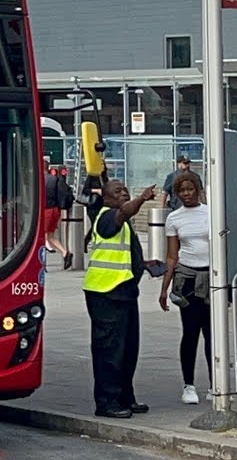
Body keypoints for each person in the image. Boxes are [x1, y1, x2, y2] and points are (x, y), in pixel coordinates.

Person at [84, 177, 163, 419]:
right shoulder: (108, 215)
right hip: (105, 292)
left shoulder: (123, 222)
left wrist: (144, 264)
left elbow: (122, 253)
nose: (124, 194)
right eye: (118, 192)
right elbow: (124, 213)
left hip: (124, 290)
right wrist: (142, 198)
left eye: (126, 191)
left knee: (128, 350)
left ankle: (124, 397)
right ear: (106, 198)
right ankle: (107, 401)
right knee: (110, 351)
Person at [159, 171, 212, 405]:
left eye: (190, 189)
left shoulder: (212, 213)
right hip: (187, 278)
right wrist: (164, 288)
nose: (187, 194)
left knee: (213, 334)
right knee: (190, 333)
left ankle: (215, 384)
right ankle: (188, 385)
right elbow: (172, 255)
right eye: (182, 191)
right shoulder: (174, 218)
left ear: (198, 190)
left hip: (211, 277)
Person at [43, 157, 72, 268]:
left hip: (46, 210)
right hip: (55, 210)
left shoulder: (39, 180)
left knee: (43, 236)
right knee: (50, 236)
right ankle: (65, 253)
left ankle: (42, 262)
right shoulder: (55, 179)